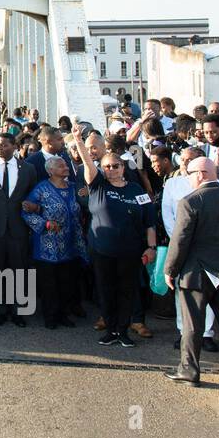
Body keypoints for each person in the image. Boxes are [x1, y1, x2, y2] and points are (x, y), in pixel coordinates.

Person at [161, 157, 219, 388]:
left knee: (193, 325)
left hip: (196, 274)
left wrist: (170, 269)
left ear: (200, 174)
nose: (187, 177)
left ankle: (189, 371)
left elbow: (180, 241)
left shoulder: (190, 201)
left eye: (189, 173)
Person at [75, 126, 158, 349]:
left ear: (123, 167)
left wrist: (151, 248)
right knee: (106, 289)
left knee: (127, 290)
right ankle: (111, 329)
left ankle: (123, 330)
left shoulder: (136, 191)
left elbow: (149, 222)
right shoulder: (97, 186)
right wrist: (79, 141)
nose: (111, 170)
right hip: (102, 250)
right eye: (107, 167)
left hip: (130, 251)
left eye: (115, 166)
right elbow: (88, 164)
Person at [0, 133, 38, 326]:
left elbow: (33, 195)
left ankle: (18, 311)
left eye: (4, 145)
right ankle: (0, 310)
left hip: (18, 228)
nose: (0, 148)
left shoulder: (28, 169)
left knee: (18, 270)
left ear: (14, 146)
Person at [21, 155, 87, 328]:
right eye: (60, 165)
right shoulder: (41, 189)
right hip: (47, 245)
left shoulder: (73, 188)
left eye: (65, 165)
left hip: (70, 243)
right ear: (50, 170)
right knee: (49, 284)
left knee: (67, 282)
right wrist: (45, 223)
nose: (65, 167)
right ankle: (50, 317)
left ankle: (63, 314)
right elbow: (26, 211)